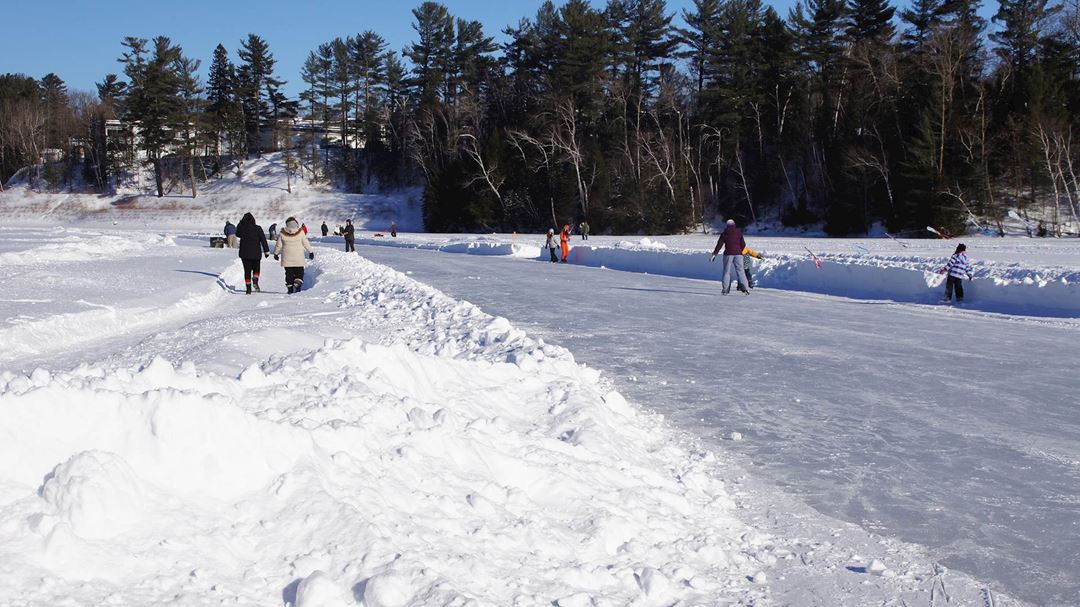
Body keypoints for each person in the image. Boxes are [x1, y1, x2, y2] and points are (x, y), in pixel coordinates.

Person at [274, 217, 314, 294]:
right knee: (300, 271)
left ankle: (290, 288)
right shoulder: (301, 232)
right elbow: (305, 243)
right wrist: (311, 251)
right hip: (298, 257)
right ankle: (298, 283)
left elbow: (279, 245)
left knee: (289, 273)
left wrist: (276, 253)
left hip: (287, 258)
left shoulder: (282, 233)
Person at [709, 219, 750, 295]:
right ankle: (746, 288)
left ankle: (725, 289)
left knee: (726, 272)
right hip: (738, 254)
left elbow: (719, 245)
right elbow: (743, 244)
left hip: (728, 254)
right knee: (741, 271)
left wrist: (714, 254)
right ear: (734, 225)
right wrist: (739, 250)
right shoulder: (739, 233)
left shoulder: (725, 233)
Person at [236, 212, 270, 295]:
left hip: (244, 253)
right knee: (256, 268)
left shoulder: (242, 229)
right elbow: (263, 240)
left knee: (247, 271)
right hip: (256, 253)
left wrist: (240, 223)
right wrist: (266, 251)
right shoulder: (258, 228)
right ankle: (255, 278)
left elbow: (237, 233)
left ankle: (248, 289)